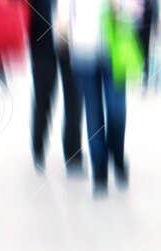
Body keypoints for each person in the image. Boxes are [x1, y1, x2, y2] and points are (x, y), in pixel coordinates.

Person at [59, 0, 132, 195]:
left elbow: (135, 8)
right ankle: (100, 170)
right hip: (83, 49)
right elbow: (63, 14)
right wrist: (65, 25)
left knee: (117, 111)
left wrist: (122, 7)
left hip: (115, 45)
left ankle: (117, 155)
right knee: (93, 113)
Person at [28, 0, 82, 174]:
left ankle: (73, 154)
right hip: (42, 40)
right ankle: (38, 147)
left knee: (74, 99)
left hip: (73, 42)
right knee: (43, 96)